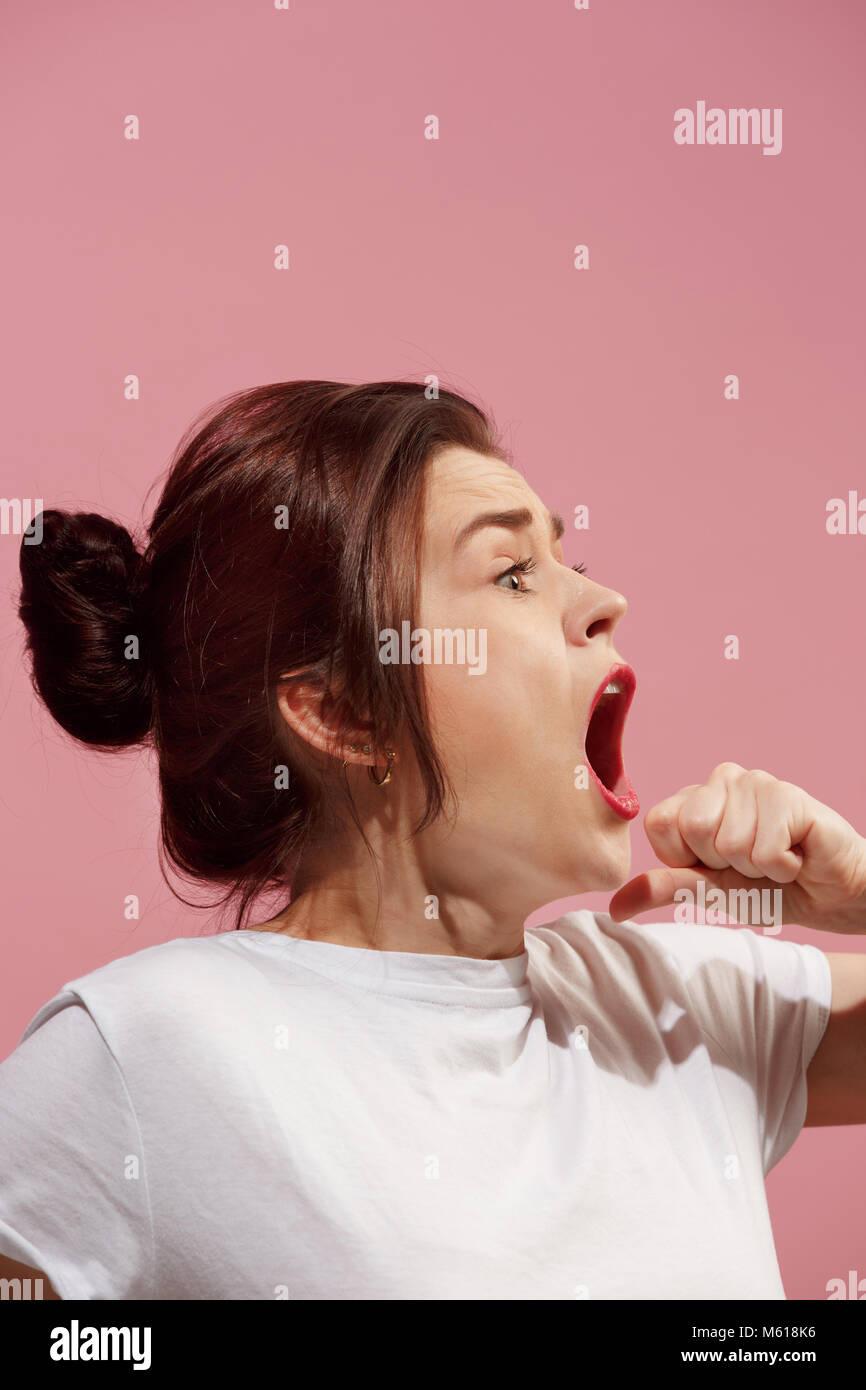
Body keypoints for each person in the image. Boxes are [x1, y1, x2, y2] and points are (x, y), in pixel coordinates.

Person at [1, 379, 864, 1301]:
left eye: (565, 558)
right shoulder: (146, 1051)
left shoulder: (677, 1005)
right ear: (341, 711)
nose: (604, 600)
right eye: (512, 572)